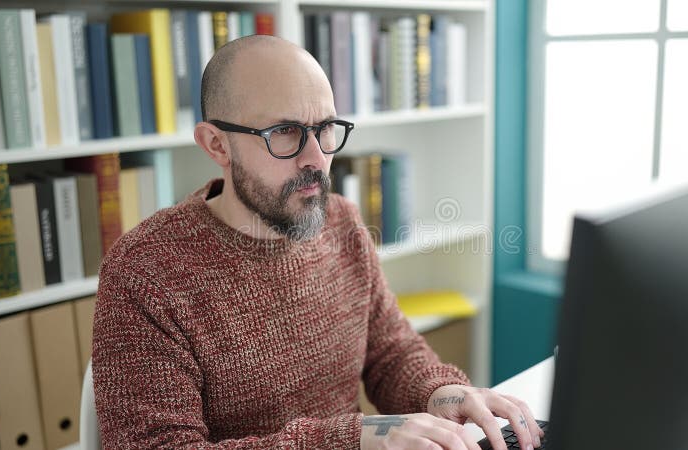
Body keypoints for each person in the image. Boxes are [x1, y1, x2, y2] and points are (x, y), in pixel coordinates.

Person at [92, 35, 543, 450]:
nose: (316, 159)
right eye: (284, 133)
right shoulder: (144, 271)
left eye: (325, 128)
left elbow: (391, 352)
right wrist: (351, 439)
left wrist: (440, 390)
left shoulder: (341, 221)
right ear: (217, 145)